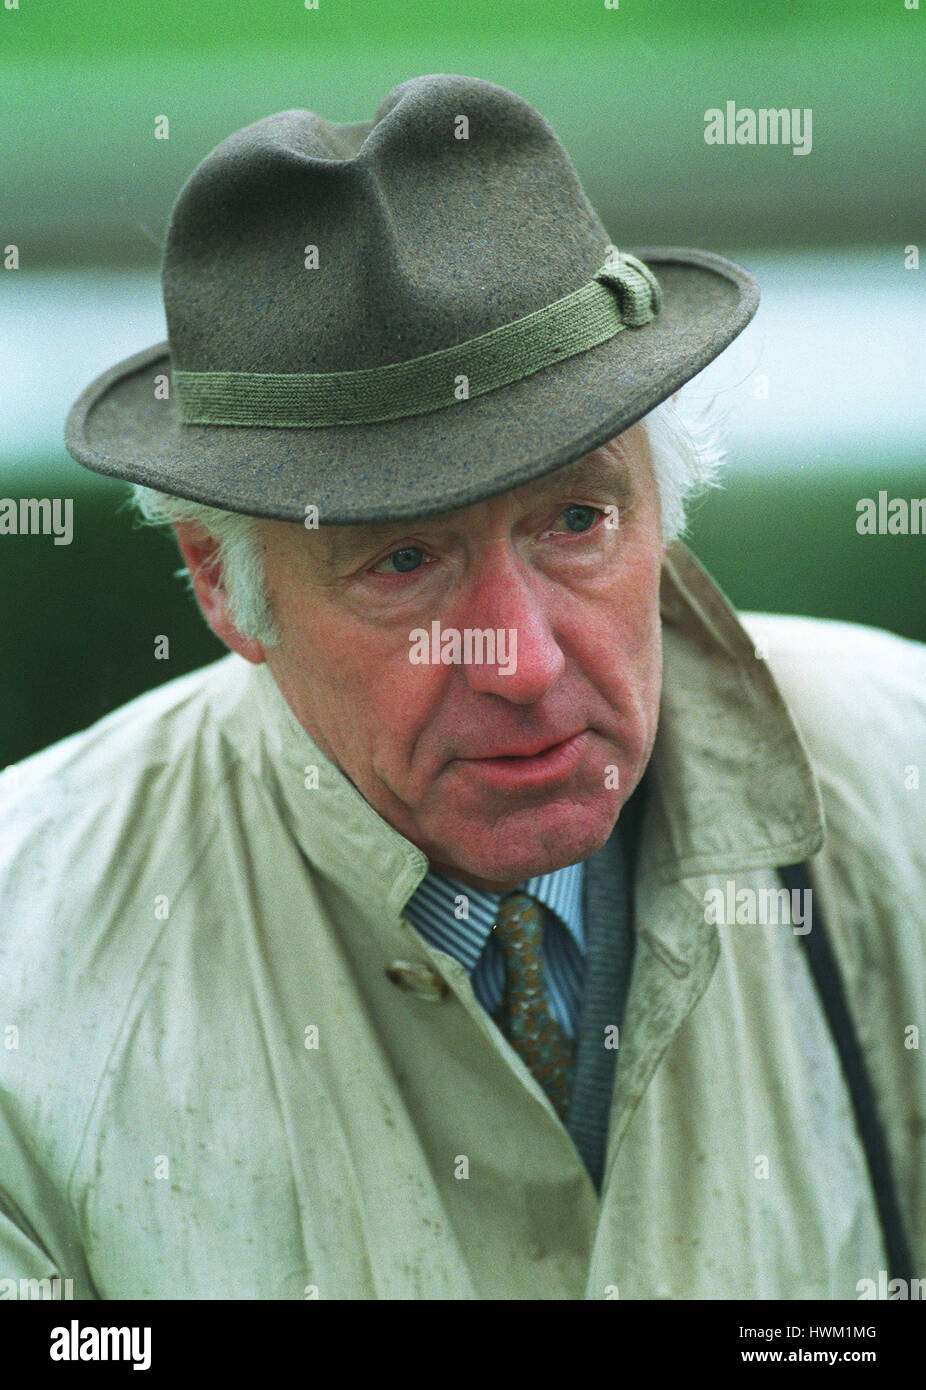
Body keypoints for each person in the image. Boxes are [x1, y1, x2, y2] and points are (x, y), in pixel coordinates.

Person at [1, 73, 923, 1301]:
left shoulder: (899, 784)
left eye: (576, 519)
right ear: (221, 585)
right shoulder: (26, 955)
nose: (525, 660)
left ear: (661, 504)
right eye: (401, 558)